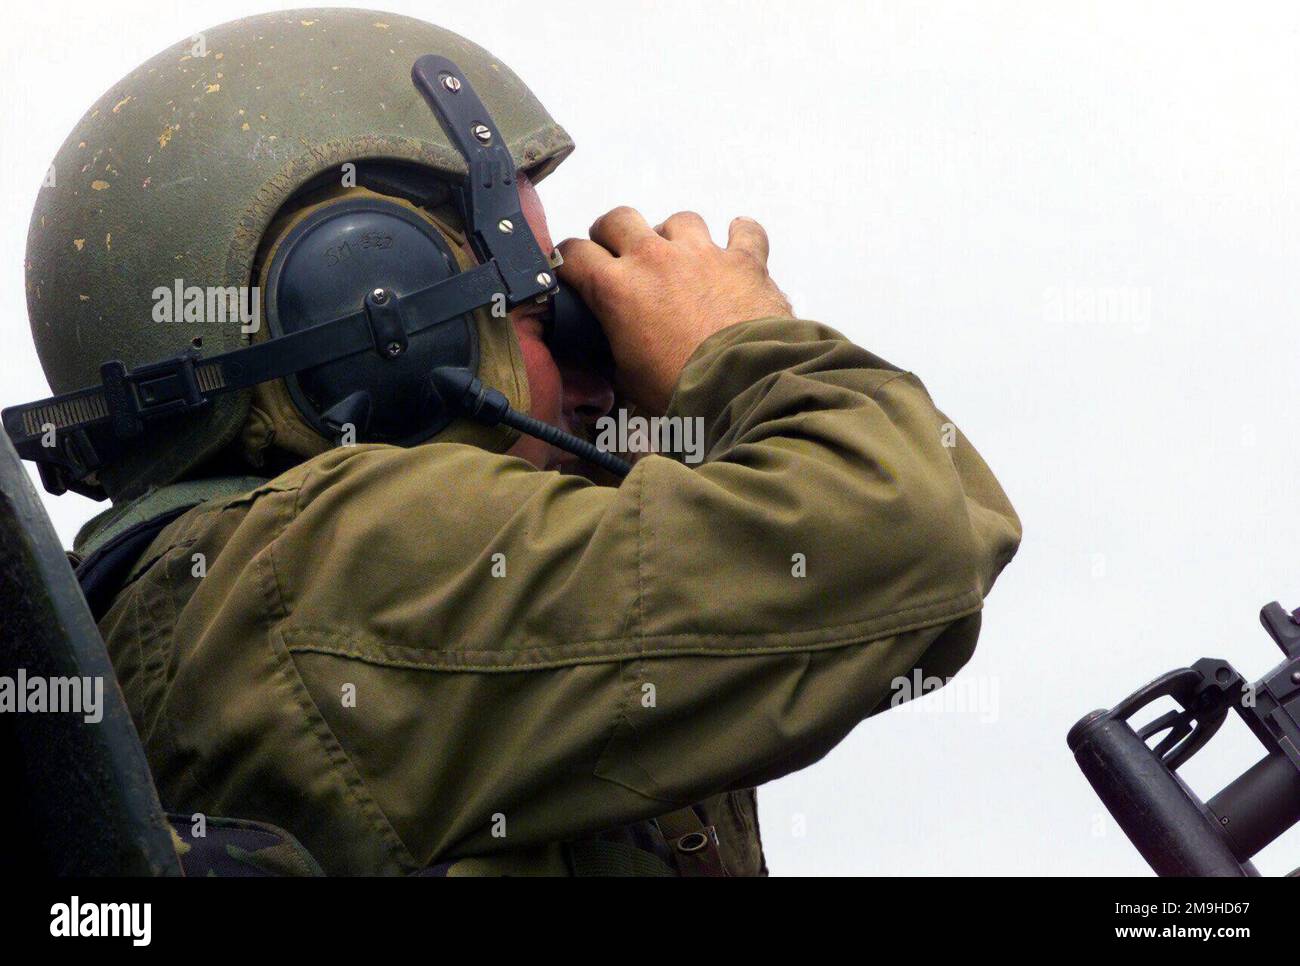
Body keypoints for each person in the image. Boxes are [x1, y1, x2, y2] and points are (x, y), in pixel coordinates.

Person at [10, 8, 1020, 875]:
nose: (601, 362)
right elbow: (905, 531)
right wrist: (734, 346)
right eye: (542, 312)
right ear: (376, 331)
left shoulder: (223, 597)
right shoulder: (338, 563)